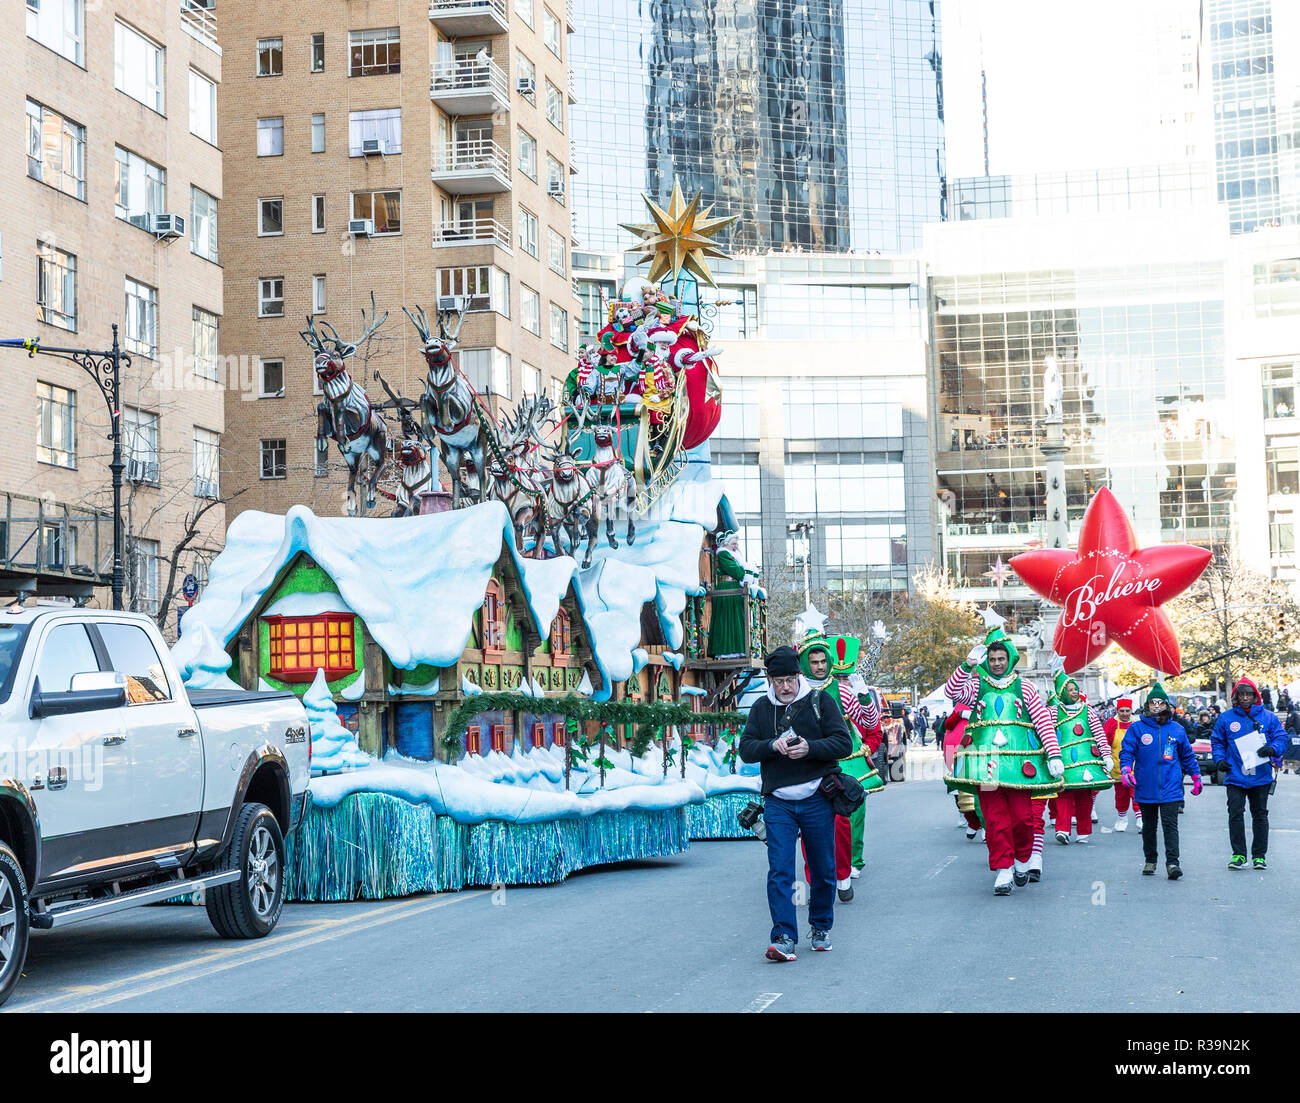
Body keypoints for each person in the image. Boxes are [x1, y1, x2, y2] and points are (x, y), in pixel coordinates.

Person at [740, 646, 852, 962]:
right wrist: (770, 746)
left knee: (823, 868)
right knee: (780, 870)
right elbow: (746, 749)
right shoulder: (761, 709)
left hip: (817, 797)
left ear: (798, 676)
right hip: (778, 803)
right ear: (770, 681)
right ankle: (784, 937)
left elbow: (843, 743)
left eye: (790, 679)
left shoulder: (820, 701)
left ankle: (820, 926)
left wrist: (810, 748)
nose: (785, 687)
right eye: (779, 681)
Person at [944, 623, 1064, 895]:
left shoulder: (1026, 687)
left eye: (1001, 658)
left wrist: (1053, 753)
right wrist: (967, 665)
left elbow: (1042, 720)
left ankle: (1023, 858)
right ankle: (1003, 869)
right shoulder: (977, 686)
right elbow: (952, 693)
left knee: (1022, 818)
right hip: (985, 767)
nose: (997, 664)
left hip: (1019, 768)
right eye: (993, 659)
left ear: (1010, 659)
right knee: (995, 819)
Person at [796, 628, 884, 896]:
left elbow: (869, 722)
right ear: (804, 664)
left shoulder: (842, 690)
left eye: (824, 661)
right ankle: (817, 882)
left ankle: (843, 874)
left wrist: (865, 696)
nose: (820, 667)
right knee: (808, 827)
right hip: (805, 767)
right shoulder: (794, 691)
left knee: (841, 822)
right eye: (814, 662)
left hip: (838, 766)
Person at [1119, 683, 1201, 879]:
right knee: (1148, 827)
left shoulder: (1177, 729)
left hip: (1171, 787)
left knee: (1170, 826)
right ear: (1147, 706)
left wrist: (1196, 777)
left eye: (1160, 702)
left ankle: (1173, 863)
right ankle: (1151, 860)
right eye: (1153, 702)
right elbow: (1127, 751)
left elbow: (1188, 756)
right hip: (1145, 786)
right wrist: (1126, 769)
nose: (1156, 706)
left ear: (1167, 705)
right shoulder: (1137, 728)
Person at [1211, 677, 1287, 870]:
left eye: (1248, 694)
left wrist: (1272, 749)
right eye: (1241, 694)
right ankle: (1238, 855)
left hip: (1260, 776)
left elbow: (1280, 737)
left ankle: (1259, 856)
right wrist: (1219, 760)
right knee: (1235, 814)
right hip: (1235, 775)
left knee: (1260, 815)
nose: (1245, 698)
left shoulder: (1268, 717)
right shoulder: (1226, 718)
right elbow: (1217, 741)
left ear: (1255, 697)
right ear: (1235, 697)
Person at [1048, 671, 1113, 845]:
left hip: (1086, 763)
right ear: (1062, 693)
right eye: (1069, 689)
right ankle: (1063, 829)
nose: (1074, 692)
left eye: (1075, 689)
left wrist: (1106, 754)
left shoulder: (1088, 710)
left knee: (1085, 797)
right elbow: (1046, 733)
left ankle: (1083, 831)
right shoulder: (1053, 712)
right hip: (1064, 762)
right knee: (1063, 795)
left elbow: (1099, 734)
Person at [1105, 697, 1142, 832]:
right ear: (1117, 711)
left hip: (1136, 765)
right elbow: (1105, 742)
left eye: (1127, 711)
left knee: (1136, 793)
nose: (1125, 713)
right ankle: (1122, 818)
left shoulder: (1138, 724)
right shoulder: (1111, 723)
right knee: (1121, 795)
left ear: (1131, 711)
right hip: (1118, 765)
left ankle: (1140, 818)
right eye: (1122, 711)